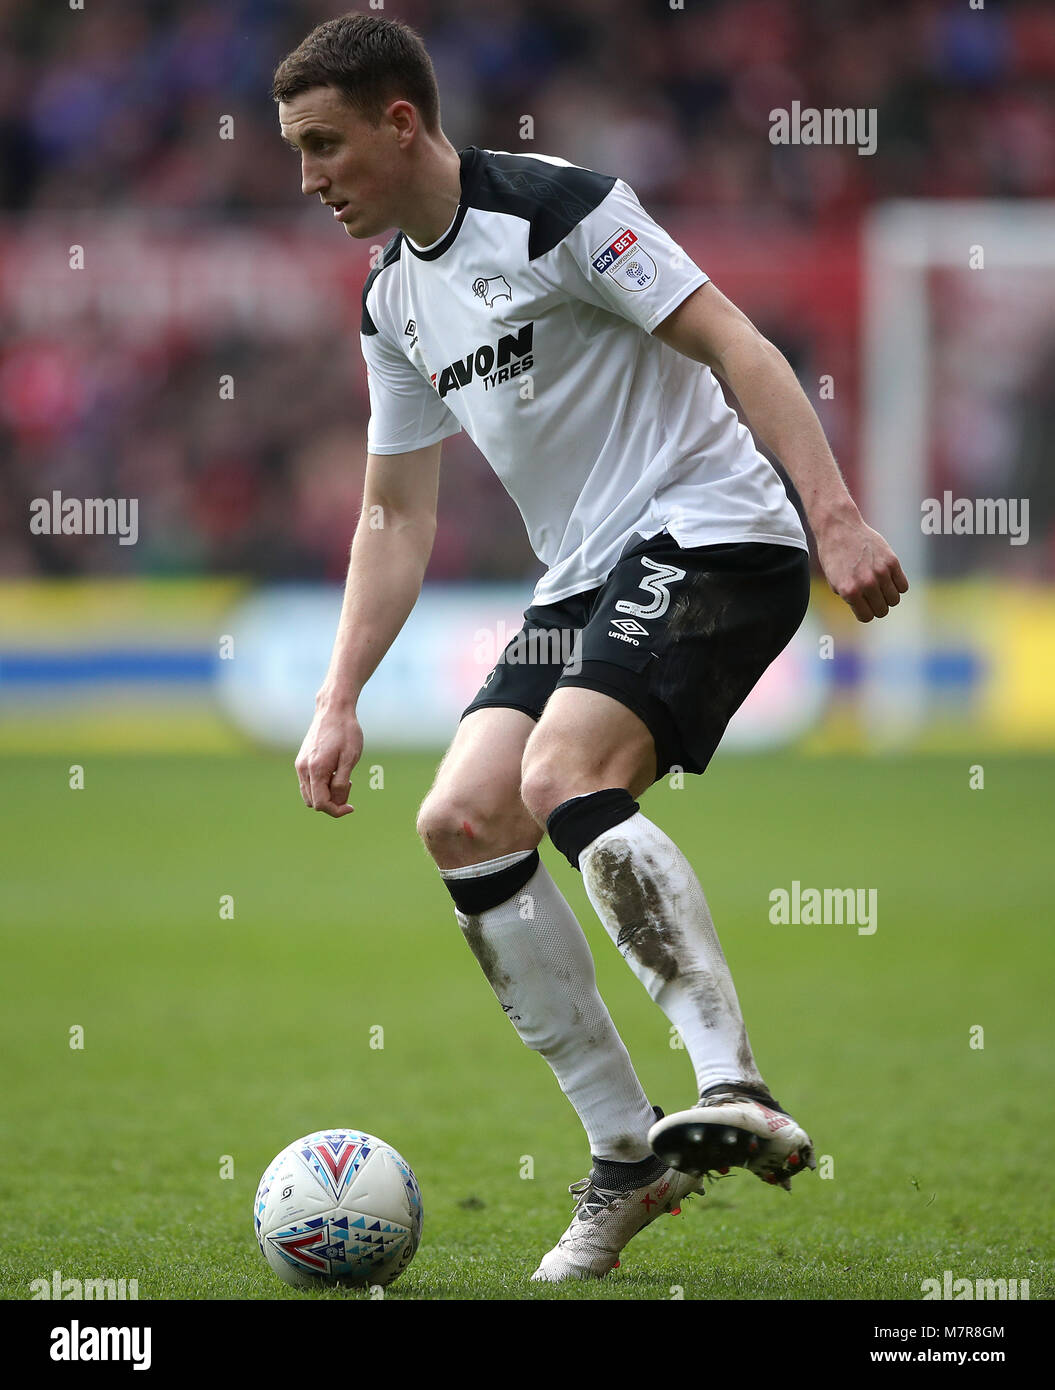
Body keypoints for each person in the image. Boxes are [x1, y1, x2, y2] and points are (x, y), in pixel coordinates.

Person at [274, 11, 908, 1283]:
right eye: (299, 152)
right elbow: (394, 510)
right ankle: (630, 1156)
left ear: (402, 121)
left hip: (714, 531)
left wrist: (832, 513)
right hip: (583, 577)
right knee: (459, 818)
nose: (310, 178)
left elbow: (733, 339)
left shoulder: (558, 211)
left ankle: (734, 1084)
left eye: (325, 144)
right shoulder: (393, 297)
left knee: (561, 772)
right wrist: (339, 694)